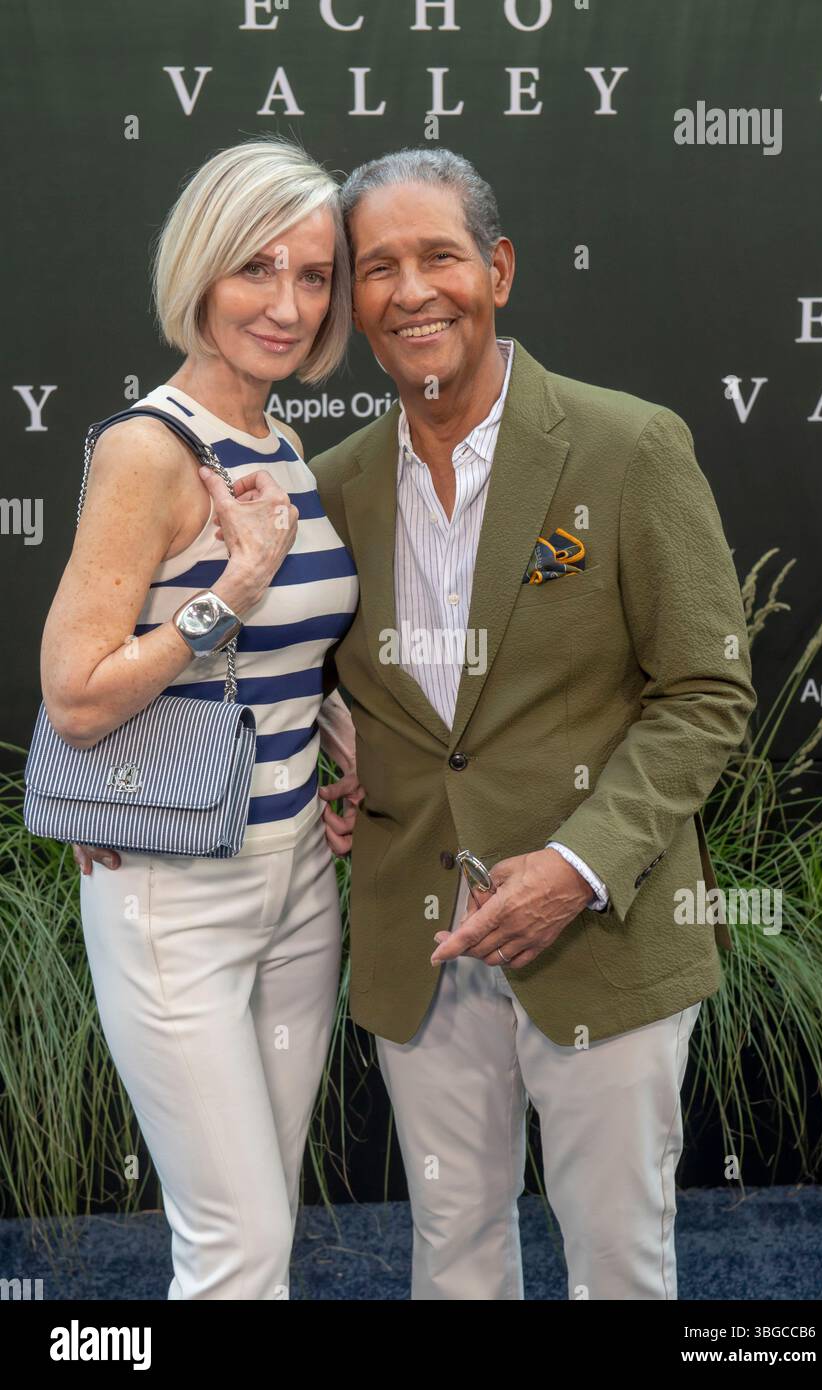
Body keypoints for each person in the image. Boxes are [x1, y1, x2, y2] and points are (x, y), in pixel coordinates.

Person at [305, 147, 758, 1300]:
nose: (411, 291)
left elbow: (704, 693)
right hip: (425, 944)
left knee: (618, 1266)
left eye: (439, 256)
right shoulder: (333, 483)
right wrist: (323, 752)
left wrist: (574, 866)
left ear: (496, 269)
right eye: (377, 267)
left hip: (596, 937)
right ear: (352, 301)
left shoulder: (626, 446)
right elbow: (316, 683)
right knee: (453, 1259)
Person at [43, 134, 362, 1299]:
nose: (285, 304)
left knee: (262, 1221)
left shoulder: (279, 444)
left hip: (296, 883)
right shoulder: (149, 447)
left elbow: (296, 653)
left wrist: (343, 729)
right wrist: (231, 590)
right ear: (200, 273)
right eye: (255, 269)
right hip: (174, 887)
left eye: (313, 275)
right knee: (236, 1251)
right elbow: (76, 695)